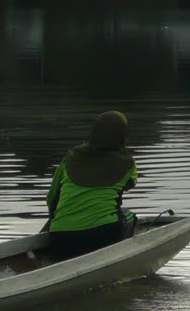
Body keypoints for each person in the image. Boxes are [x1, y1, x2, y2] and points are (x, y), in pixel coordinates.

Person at [45, 110, 138, 259]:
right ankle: (119, 259)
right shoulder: (128, 163)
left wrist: (55, 220)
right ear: (123, 136)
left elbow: (51, 198)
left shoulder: (70, 158)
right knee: (130, 217)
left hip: (60, 239)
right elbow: (129, 184)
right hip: (102, 236)